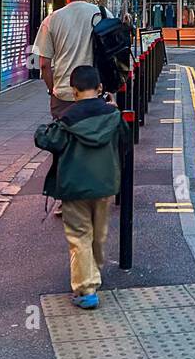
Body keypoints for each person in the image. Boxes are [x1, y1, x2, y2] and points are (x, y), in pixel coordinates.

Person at [34, 65, 127, 310]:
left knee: (79, 236)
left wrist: (43, 127)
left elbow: (46, 139)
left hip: (75, 186)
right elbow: (125, 142)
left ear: (74, 91)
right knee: (99, 234)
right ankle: (93, 274)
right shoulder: (112, 116)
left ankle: (86, 289)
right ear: (99, 88)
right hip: (106, 184)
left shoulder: (68, 119)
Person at [35, 0, 102, 121]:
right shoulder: (101, 14)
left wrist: (53, 90)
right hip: (95, 90)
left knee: (64, 137)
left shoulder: (51, 19)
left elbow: (44, 64)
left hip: (64, 93)